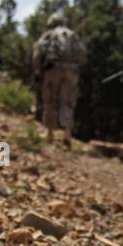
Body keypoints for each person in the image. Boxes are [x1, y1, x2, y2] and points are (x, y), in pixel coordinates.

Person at [31, 12, 85, 146]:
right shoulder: (72, 35)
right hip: (72, 70)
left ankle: (50, 133)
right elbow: (83, 54)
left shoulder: (49, 34)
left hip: (53, 68)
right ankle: (67, 132)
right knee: (67, 101)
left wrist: (38, 71)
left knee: (50, 100)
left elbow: (38, 52)